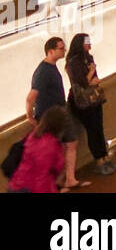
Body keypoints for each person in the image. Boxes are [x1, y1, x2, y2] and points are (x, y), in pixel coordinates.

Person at [26, 37, 88, 190]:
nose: (64, 50)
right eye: (61, 48)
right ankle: (55, 183)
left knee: (71, 142)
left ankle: (69, 179)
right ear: (50, 51)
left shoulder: (50, 68)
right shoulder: (43, 72)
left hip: (60, 112)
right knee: (55, 150)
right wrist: (30, 117)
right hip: (51, 116)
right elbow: (31, 97)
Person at [65, 33, 116, 176]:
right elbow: (80, 81)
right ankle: (99, 160)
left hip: (94, 98)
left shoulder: (88, 58)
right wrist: (92, 72)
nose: (90, 45)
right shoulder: (73, 62)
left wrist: (92, 76)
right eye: (87, 42)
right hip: (83, 101)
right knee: (92, 129)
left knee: (99, 127)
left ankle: (105, 157)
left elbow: (93, 79)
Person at [7, 105, 68, 193]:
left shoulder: (33, 135)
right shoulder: (51, 145)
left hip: (17, 183)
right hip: (33, 188)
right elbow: (43, 175)